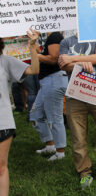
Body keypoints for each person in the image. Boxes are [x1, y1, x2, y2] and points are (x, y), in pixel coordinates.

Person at [58, 33, 96, 188]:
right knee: (78, 137)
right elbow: (63, 66)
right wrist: (84, 62)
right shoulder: (66, 42)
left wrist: (73, 60)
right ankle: (84, 173)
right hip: (76, 94)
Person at [0, 29, 40, 196]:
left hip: (3, 122)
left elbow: (34, 69)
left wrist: (32, 47)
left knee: (1, 167)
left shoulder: (5, 62)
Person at [30, 31, 68, 161]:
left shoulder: (54, 36)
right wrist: (33, 44)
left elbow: (53, 59)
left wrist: (35, 55)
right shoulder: (50, 37)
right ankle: (50, 145)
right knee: (36, 114)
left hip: (54, 80)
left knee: (54, 117)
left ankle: (60, 152)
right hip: (48, 81)